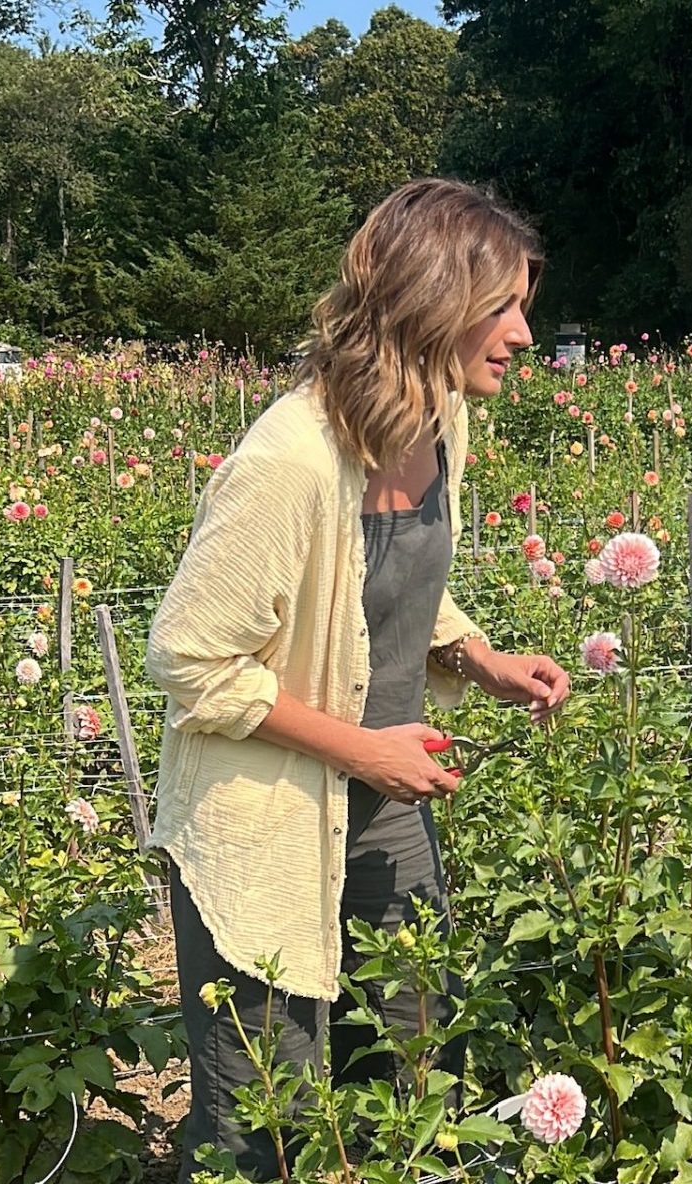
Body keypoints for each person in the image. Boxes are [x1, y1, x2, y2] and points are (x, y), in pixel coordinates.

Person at [144, 178, 571, 1182]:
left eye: (525, 308)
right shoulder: (289, 459)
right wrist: (364, 747)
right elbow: (192, 662)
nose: (521, 334)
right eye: (502, 306)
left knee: (417, 1061)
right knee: (267, 1114)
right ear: (430, 303)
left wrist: (479, 658)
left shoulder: (440, 423)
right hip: (267, 811)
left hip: (385, 803)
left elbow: (387, 592)